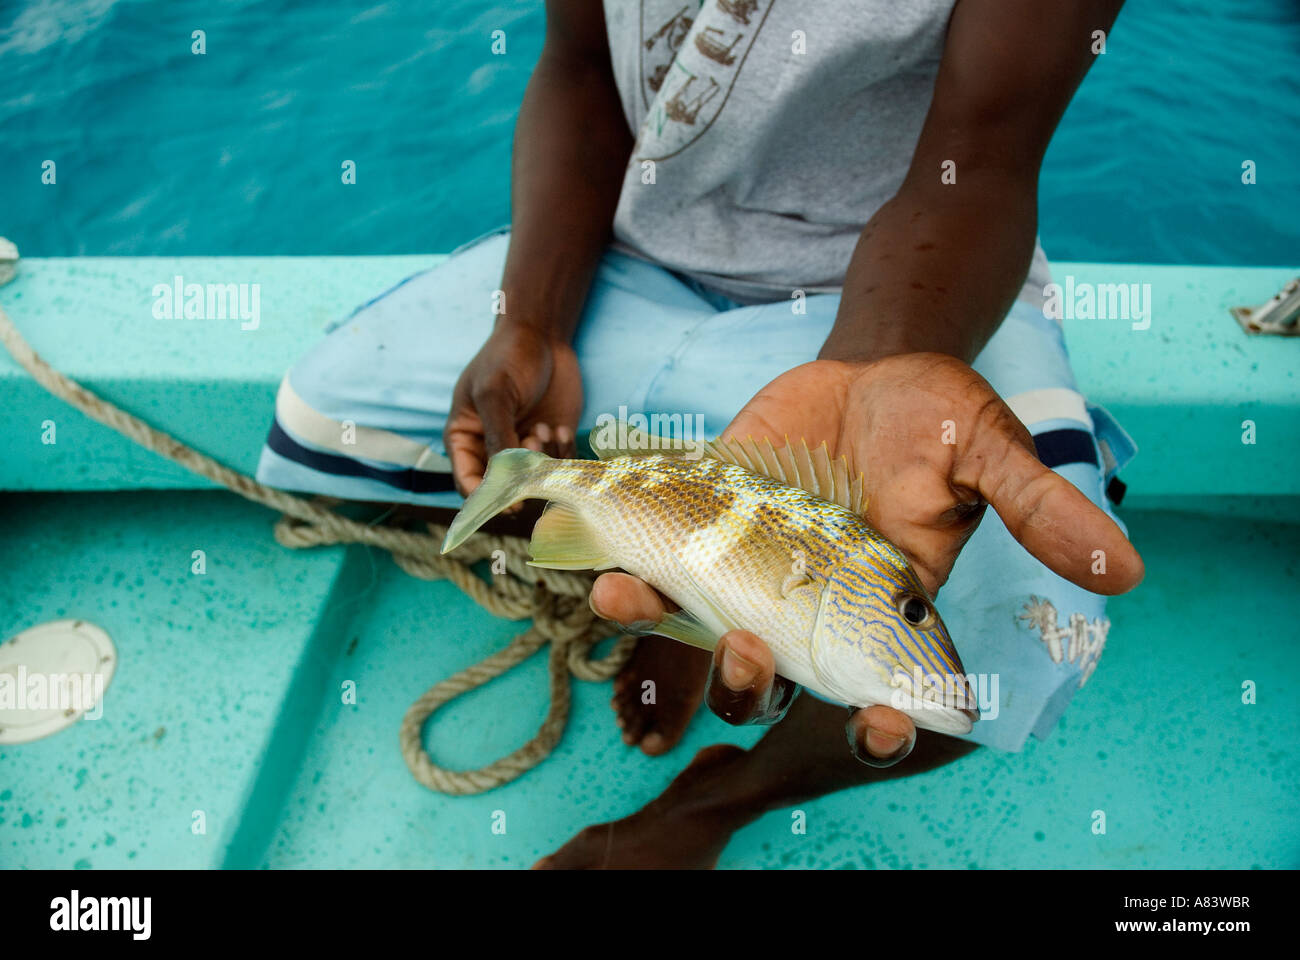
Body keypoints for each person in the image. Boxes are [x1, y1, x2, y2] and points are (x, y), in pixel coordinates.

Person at [256, 0, 1143, 868]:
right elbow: (580, 64)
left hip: (910, 289)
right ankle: (681, 584)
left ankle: (718, 797)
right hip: (644, 253)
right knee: (315, 425)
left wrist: (861, 380)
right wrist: (534, 320)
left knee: (1038, 628)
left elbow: (982, 163)